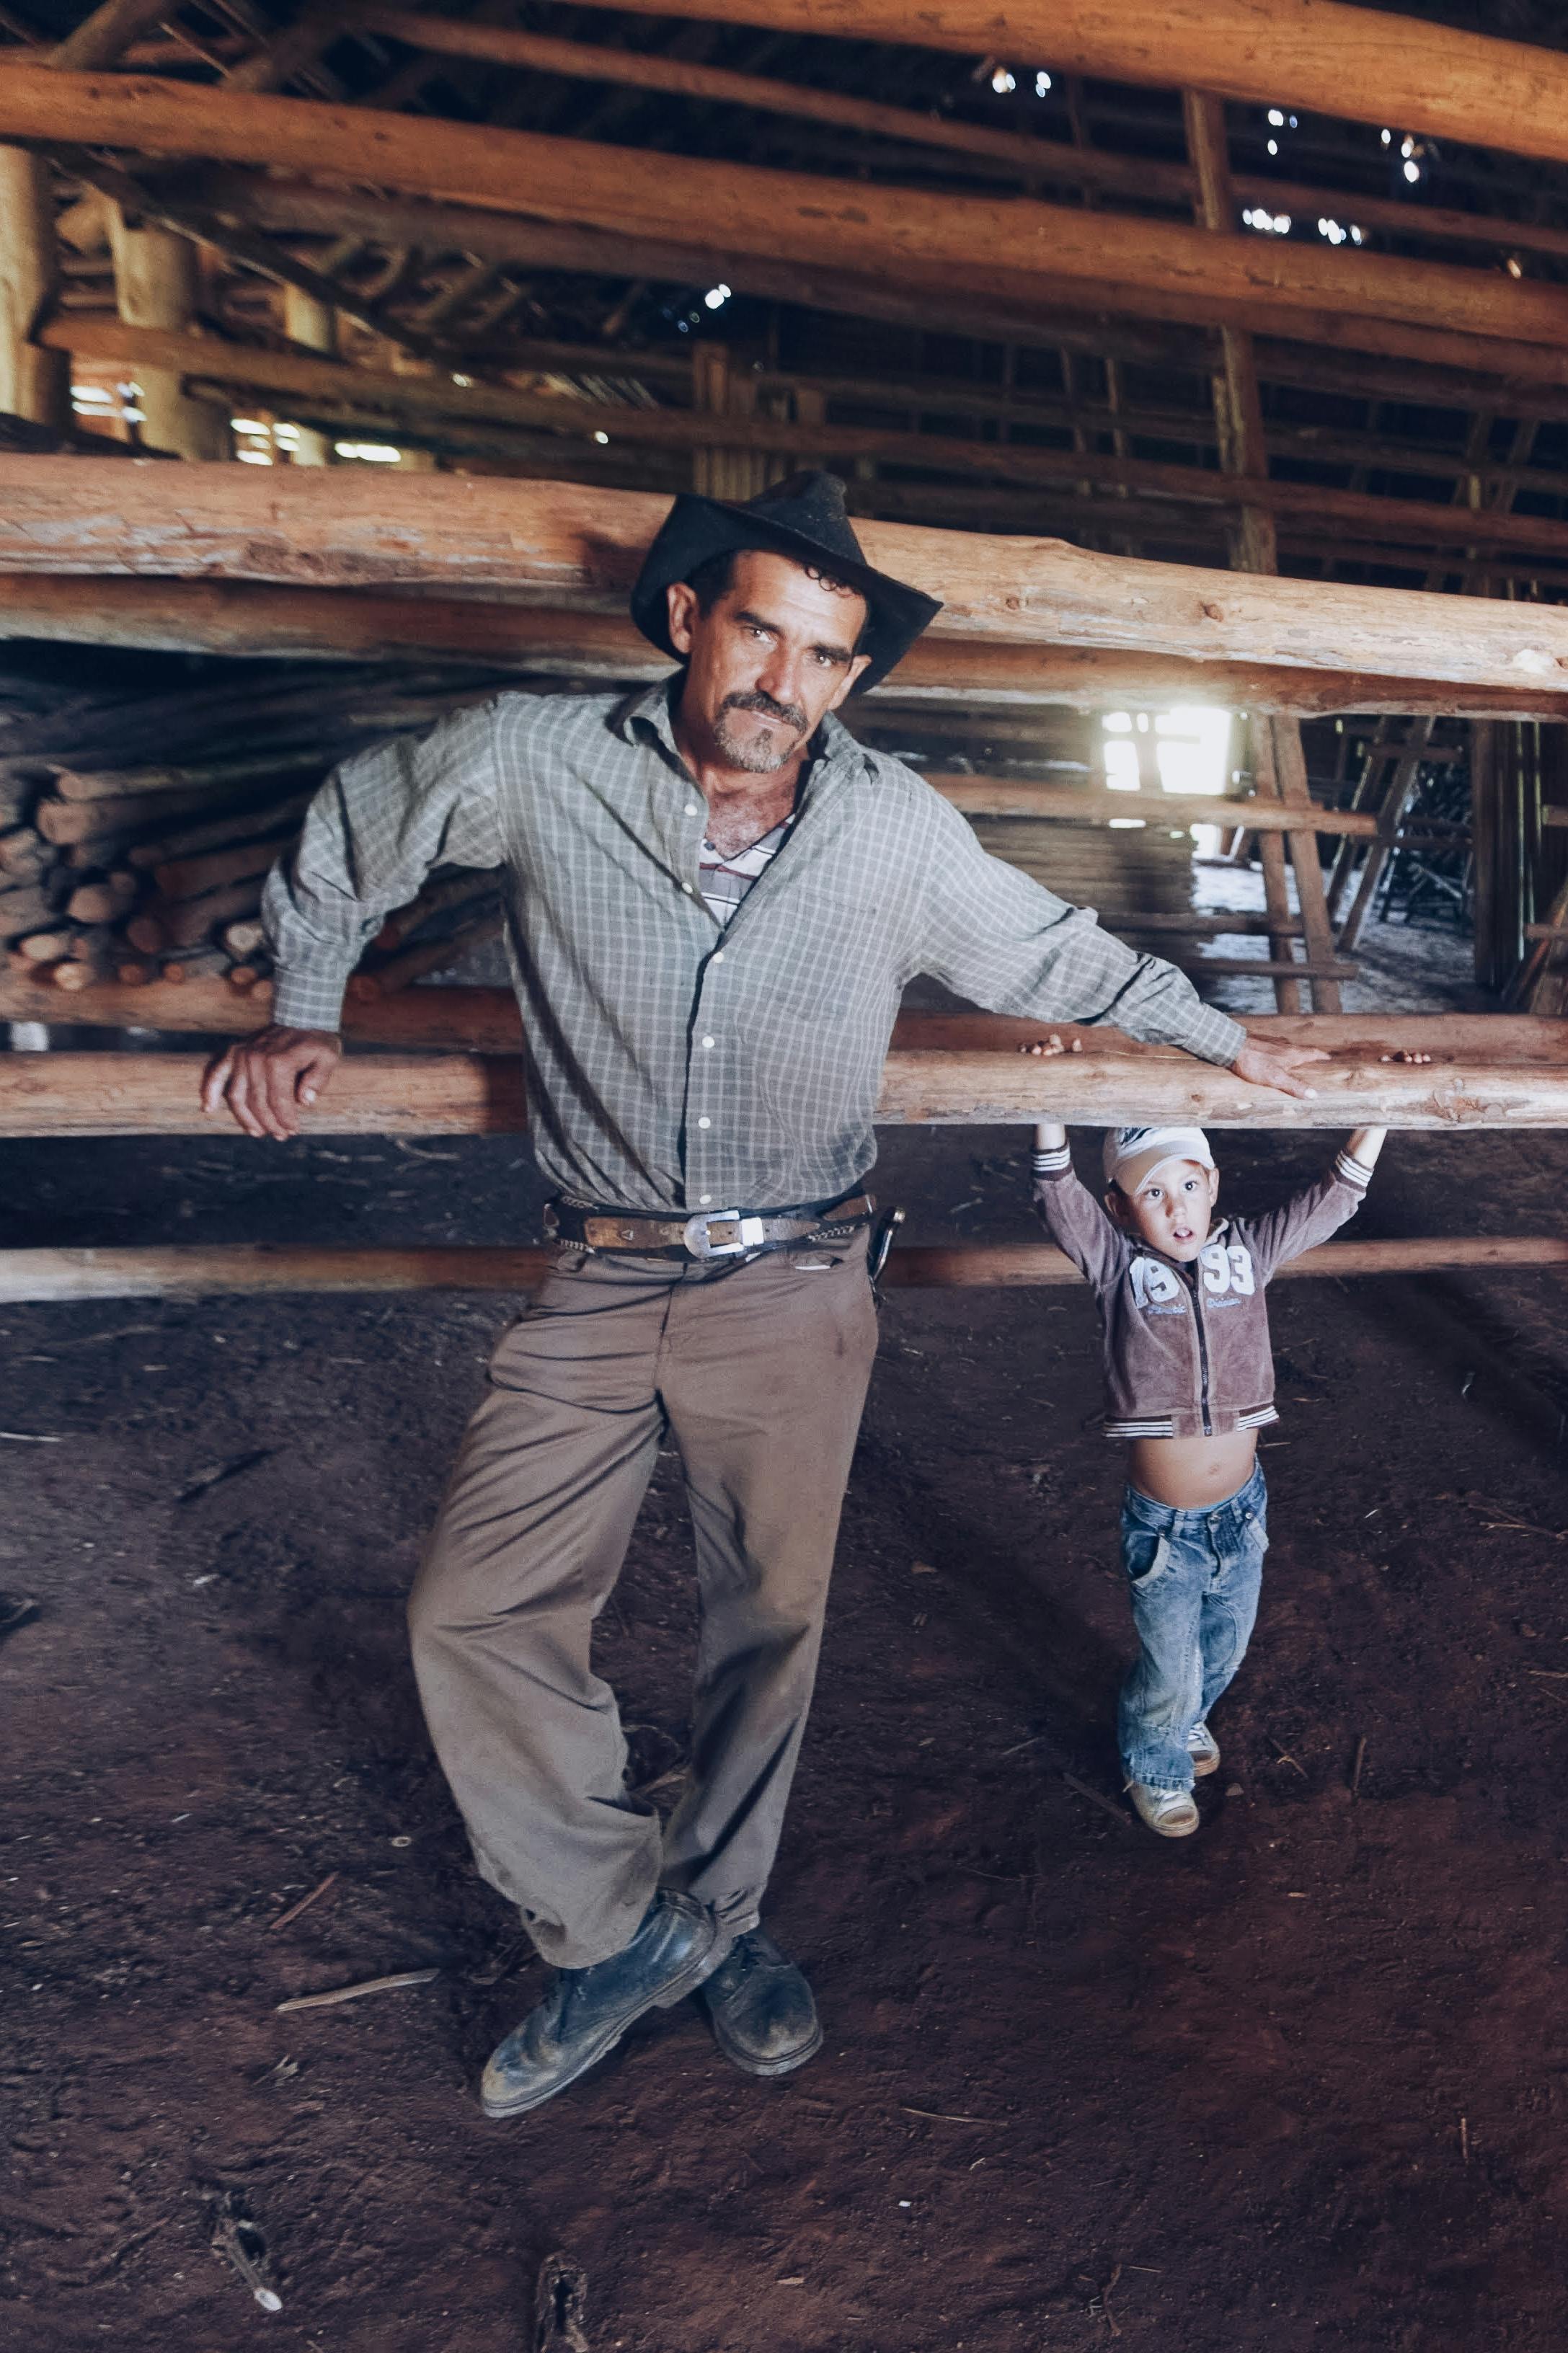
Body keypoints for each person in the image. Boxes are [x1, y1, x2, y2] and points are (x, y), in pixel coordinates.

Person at [202, 470, 1326, 2117]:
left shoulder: (887, 829)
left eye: (820, 656)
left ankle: (713, 1913)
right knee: (470, 1612)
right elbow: (359, 818)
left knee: (767, 1627)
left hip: (797, 1280)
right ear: (684, 621)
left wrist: (1231, 1044)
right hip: (594, 1270)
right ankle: (623, 1921)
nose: (780, 683)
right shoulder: (534, 760)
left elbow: (1056, 954)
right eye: (756, 635)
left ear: (851, 677)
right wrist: (308, 1005)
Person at [1031, 1113, 1386, 1836]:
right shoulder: (1115, 1267)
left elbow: (1336, 1197)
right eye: (1152, 1193)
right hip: (1166, 1529)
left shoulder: (1250, 1251)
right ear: (1118, 1208)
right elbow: (1056, 1197)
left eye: (1188, 1185)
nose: (1176, 1207)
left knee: (1225, 1646)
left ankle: (1184, 1721)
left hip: (1243, 1511)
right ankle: (1154, 1762)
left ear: (1213, 1185)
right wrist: (1046, 1107)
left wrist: (1382, 1109)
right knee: (1171, 1665)